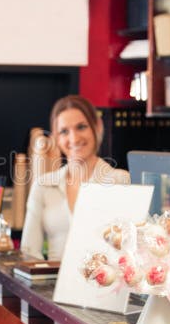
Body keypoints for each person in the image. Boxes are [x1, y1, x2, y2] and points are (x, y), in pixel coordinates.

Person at [20, 95, 130, 261]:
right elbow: (29, 253)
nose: (74, 138)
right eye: (64, 131)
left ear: (98, 126)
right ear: (56, 138)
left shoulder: (120, 181)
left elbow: (129, 251)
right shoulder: (43, 186)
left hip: (103, 284)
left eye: (81, 127)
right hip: (52, 284)